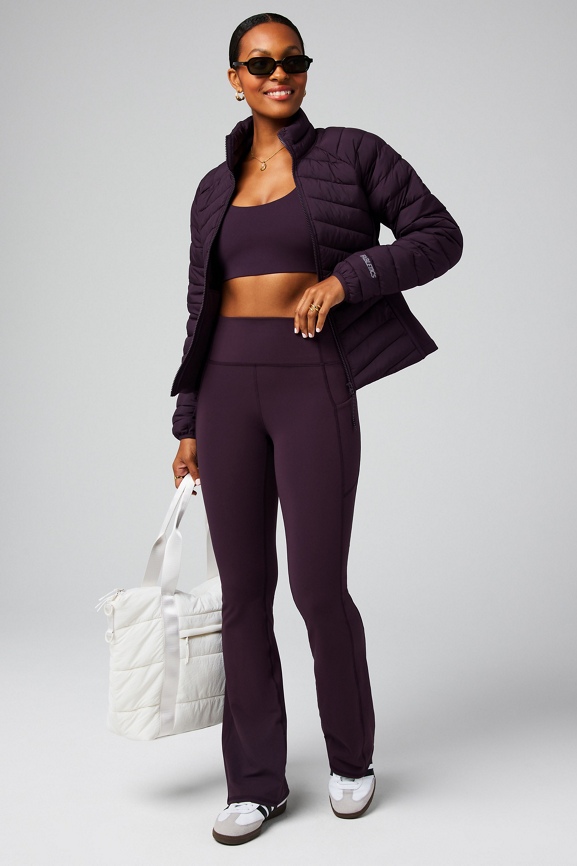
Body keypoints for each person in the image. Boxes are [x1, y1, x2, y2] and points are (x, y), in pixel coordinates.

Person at [171, 12, 463, 846]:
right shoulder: (212, 187)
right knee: (242, 594)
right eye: (260, 63)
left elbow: (438, 236)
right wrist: (187, 420)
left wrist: (348, 278)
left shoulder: (352, 154)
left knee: (316, 587)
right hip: (224, 389)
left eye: (291, 59)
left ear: (304, 70)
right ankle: (255, 784)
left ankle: (350, 760)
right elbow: (197, 307)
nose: (278, 73)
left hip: (310, 382)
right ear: (234, 78)